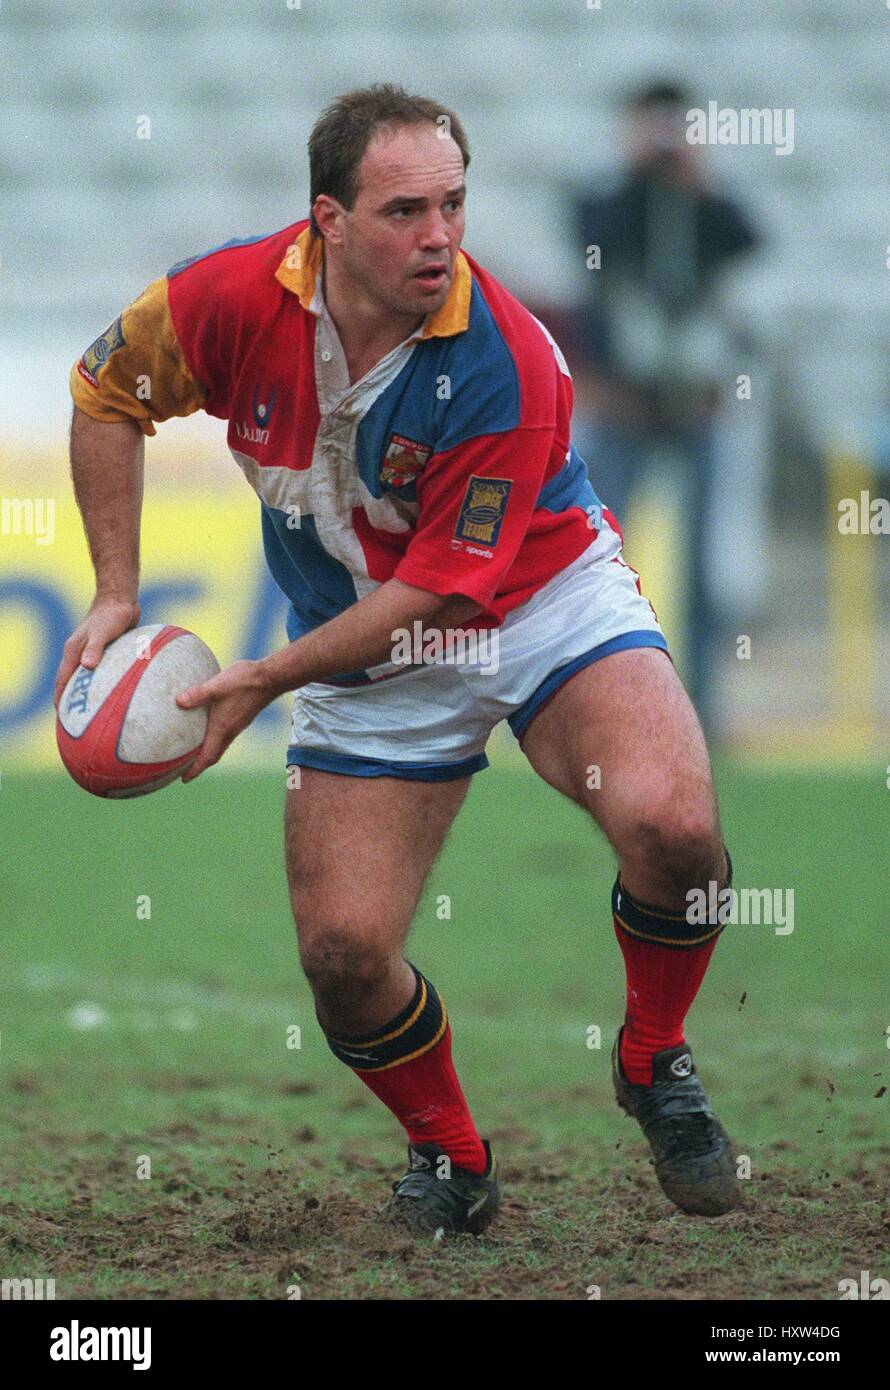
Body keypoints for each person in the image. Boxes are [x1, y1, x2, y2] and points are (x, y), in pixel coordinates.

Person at [57, 84, 738, 1234]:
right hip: (362, 653)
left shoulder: (506, 360)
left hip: (534, 603)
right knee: (340, 954)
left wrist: (267, 677)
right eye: (404, 210)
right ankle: (451, 1157)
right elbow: (103, 395)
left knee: (675, 830)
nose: (439, 236)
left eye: (454, 205)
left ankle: (654, 1059)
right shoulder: (222, 300)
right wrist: (116, 589)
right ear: (325, 219)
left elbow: (442, 589)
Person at [573, 80, 760, 735]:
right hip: (625, 409)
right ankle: (592, 699)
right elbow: (590, 242)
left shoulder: (704, 202)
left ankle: (704, 709)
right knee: (594, 559)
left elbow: (749, 240)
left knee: (701, 567)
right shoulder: (606, 199)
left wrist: (696, 181)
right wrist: (639, 177)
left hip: (695, 408)